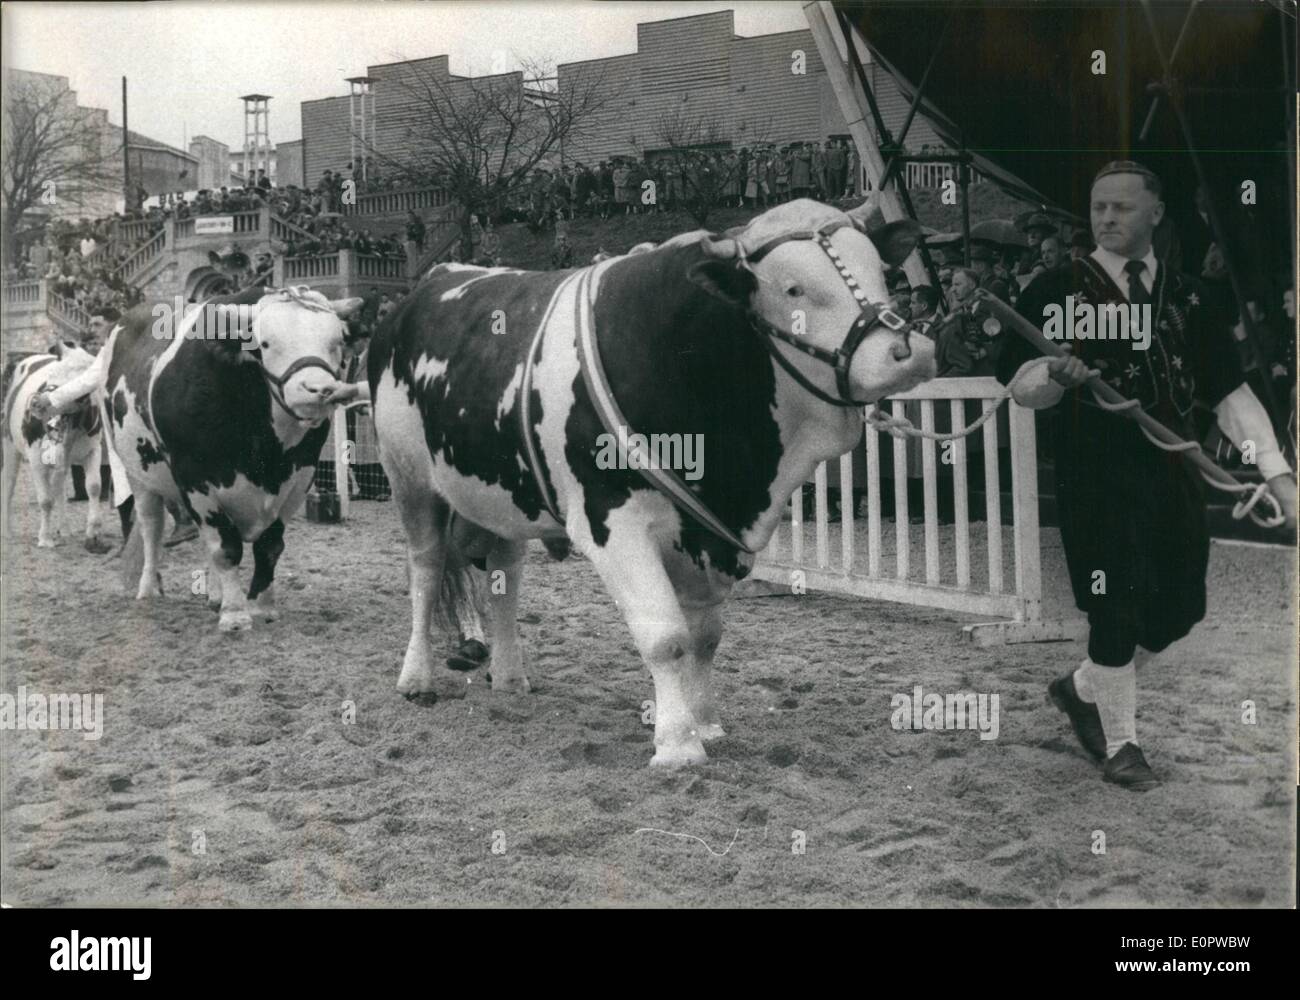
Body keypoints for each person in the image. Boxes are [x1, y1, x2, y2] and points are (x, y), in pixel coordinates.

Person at [998, 161, 1297, 791]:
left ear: (1156, 215)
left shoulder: (1193, 296)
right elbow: (1019, 388)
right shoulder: (1055, 291)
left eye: (1122, 208)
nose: (1106, 218)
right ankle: (1122, 744)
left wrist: (1276, 475)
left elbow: (1228, 393)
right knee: (1116, 604)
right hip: (1096, 474)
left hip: (1172, 466)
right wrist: (1053, 376)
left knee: (1182, 607)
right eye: (1098, 207)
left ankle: (1080, 690)